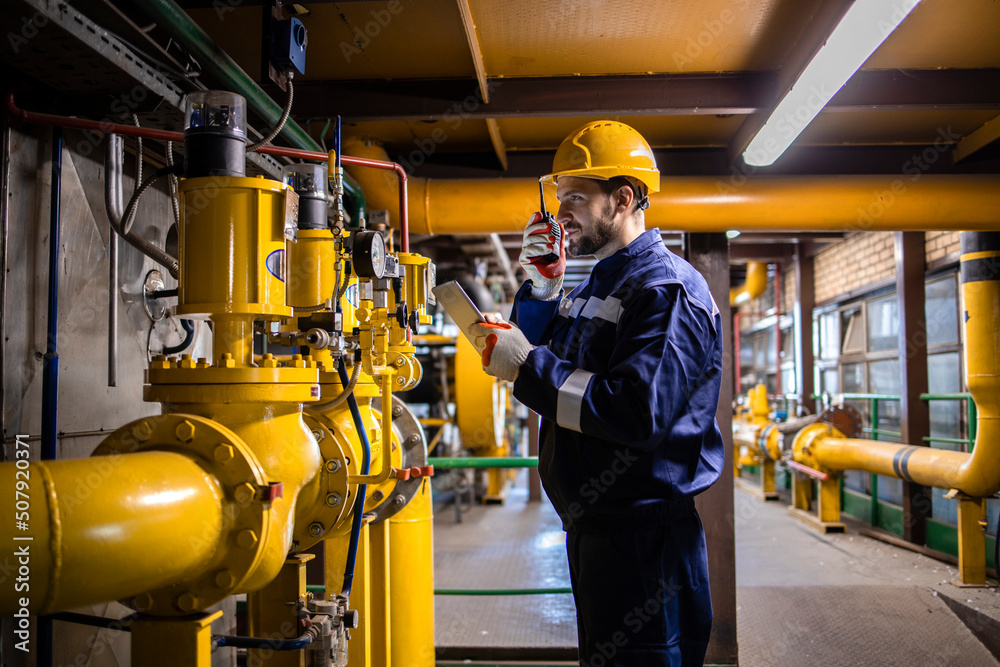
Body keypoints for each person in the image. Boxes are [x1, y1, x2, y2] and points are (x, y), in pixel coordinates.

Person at [469, 121, 725, 666]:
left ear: (623, 198)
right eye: (561, 198)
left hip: (645, 543)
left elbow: (636, 412)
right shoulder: (599, 283)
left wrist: (529, 366)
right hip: (597, 532)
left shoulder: (666, 290)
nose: (561, 214)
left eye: (576, 198)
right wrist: (543, 288)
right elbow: (550, 370)